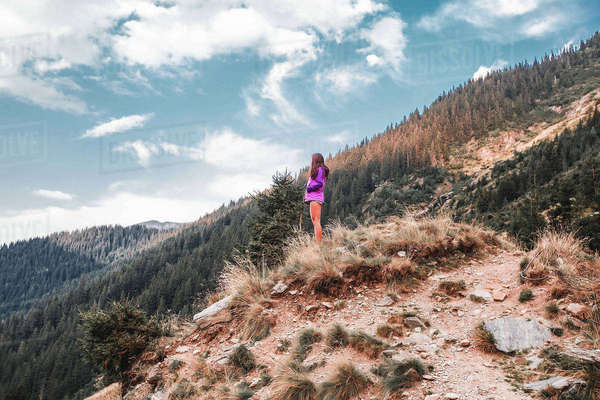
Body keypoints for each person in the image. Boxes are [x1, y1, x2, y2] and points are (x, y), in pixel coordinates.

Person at [304, 153, 329, 244]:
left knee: (316, 222)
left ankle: (318, 245)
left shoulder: (318, 170)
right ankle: (318, 244)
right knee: (316, 222)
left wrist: (309, 188)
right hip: (316, 198)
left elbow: (319, 184)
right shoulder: (321, 170)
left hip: (315, 198)